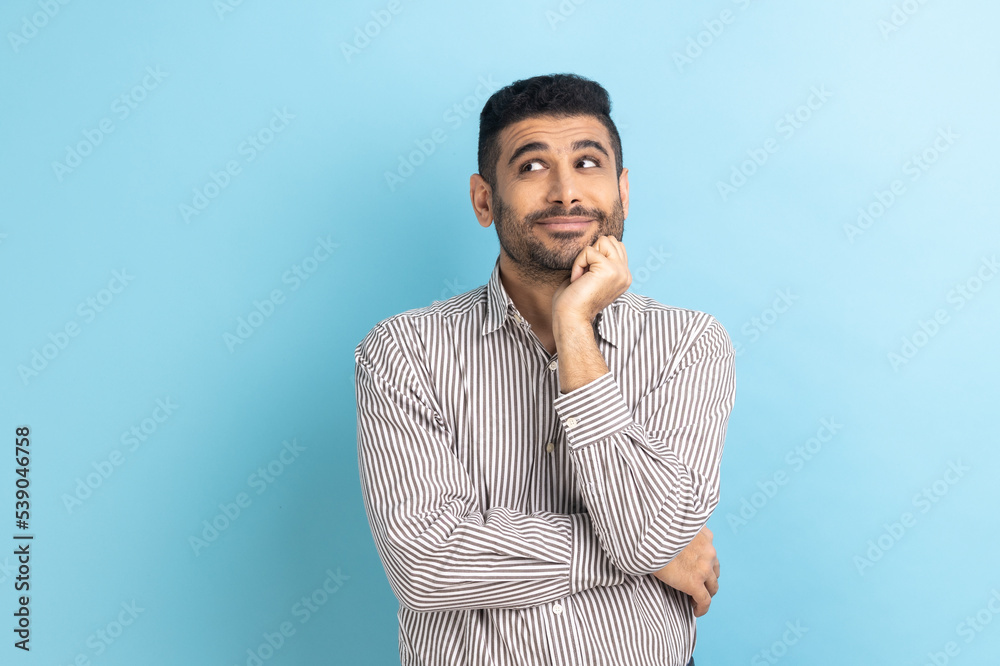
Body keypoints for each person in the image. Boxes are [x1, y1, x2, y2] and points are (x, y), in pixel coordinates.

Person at [354, 73, 736, 666]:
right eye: (532, 167)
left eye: (588, 163)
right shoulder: (404, 351)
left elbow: (652, 531)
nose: (565, 192)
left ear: (623, 191)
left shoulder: (690, 344)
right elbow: (426, 565)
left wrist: (575, 327)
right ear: (485, 200)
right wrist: (645, 552)